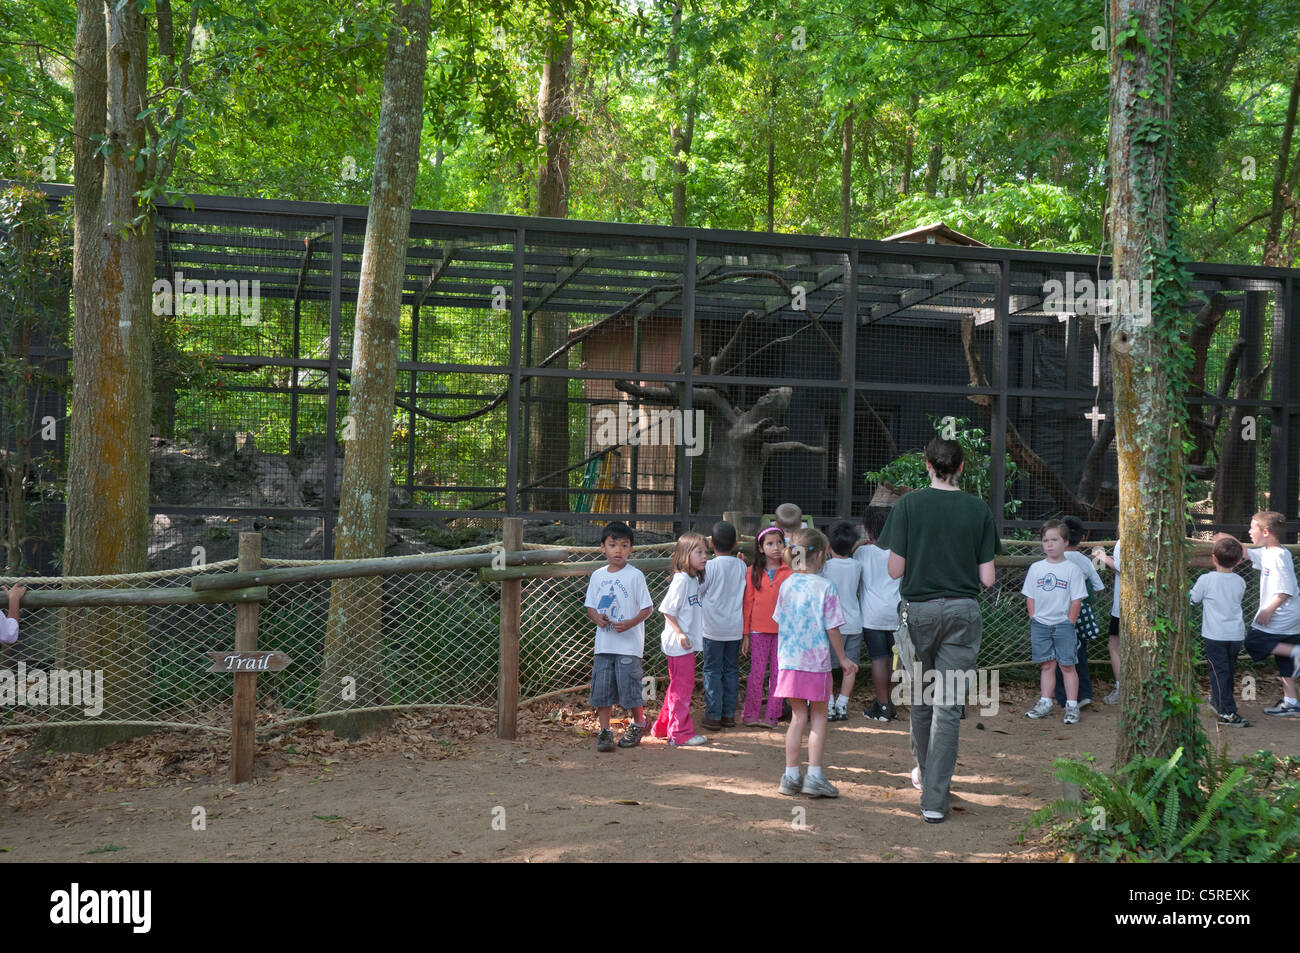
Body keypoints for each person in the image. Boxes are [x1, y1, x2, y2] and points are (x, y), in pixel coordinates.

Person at [878, 436, 998, 823]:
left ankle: (925, 775)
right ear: (962, 467)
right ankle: (934, 800)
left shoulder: (910, 504)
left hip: (919, 613)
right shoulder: (978, 508)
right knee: (948, 707)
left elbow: (895, 570)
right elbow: (988, 578)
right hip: (963, 612)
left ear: (927, 464)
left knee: (921, 698)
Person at [772, 527, 855, 797]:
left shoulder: (786, 585)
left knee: (797, 718)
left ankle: (791, 775)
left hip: (789, 662)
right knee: (818, 717)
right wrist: (842, 658)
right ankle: (815, 776)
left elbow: (780, 621)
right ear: (820, 554)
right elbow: (833, 628)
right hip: (815, 663)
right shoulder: (825, 587)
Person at [584, 521, 655, 752]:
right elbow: (591, 608)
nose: (618, 550)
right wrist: (598, 619)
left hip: (629, 646)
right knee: (602, 688)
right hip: (604, 645)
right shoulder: (597, 576)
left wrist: (630, 623)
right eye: (613, 545)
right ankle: (605, 731)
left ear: (631, 549)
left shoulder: (635, 576)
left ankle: (638, 723)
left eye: (624, 545)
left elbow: (647, 608)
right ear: (603, 547)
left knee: (630, 687)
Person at [1022, 519, 1088, 724]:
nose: (1049, 544)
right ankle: (1045, 702)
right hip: (1040, 624)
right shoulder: (1035, 568)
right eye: (1045, 540)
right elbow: (1029, 596)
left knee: (1067, 665)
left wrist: (1070, 621)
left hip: (1063, 624)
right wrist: (1033, 618)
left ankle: (1071, 705)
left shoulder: (1072, 569)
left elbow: (1077, 599)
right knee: (1047, 664)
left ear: (1065, 542)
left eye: (1054, 540)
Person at [1235, 512, 1300, 717]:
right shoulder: (1270, 552)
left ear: (1265, 532)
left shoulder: (1278, 557)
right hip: (1291, 616)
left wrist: (1268, 610)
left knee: (1255, 642)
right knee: (1284, 659)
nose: (1249, 531)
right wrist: (1225, 540)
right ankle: (1291, 702)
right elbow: (1245, 552)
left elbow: (1286, 589)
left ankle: (1297, 651)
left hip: (1282, 613)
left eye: (1253, 527)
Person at [653, 533, 709, 747]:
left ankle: (662, 727)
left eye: (706, 552)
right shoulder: (682, 580)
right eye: (699, 552)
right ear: (686, 554)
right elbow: (667, 610)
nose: (705, 557)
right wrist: (680, 633)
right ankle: (679, 733)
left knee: (677, 686)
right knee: (682, 689)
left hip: (684, 644)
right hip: (679, 645)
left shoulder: (693, 579)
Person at [1191, 535, 1249, 727]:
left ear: (1214, 558)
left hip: (1215, 635)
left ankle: (1227, 712)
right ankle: (1219, 702)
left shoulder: (1206, 579)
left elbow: (1193, 599)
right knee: (1227, 671)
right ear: (1239, 560)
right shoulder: (1240, 581)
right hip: (1235, 635)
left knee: (1218, 673)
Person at [742, 526, 790, 729]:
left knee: (779, 674)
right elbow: (748, 604)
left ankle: (773, 715)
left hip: (784, 632)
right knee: (757, 673)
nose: (775, 547)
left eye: (779, 542)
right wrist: (745, 634)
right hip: (758, 631)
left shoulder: (791, 571)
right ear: (761, 548)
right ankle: (750, 714)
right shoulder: (752, 571)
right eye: (770, 544)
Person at [700, 521, 746, 730]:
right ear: (736, 543)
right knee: (730, 670)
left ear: (711, 543)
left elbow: (700, 591)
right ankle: (728, 715)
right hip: (735, 628)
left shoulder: (709, 566)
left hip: (712, 629)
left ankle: (712, 715)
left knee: (712, 671)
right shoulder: (741, 565)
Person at [1053, 515, 1104, 708]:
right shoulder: (1084, 561)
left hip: (1059, 613)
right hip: (1081, 615)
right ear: (1082, 537)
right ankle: (1084, 694)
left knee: (1059, 656)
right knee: (1080, 653)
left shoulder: (1056, 558)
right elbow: (1099, 587)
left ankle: (1064, 697)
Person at [856, 507, 901, 721]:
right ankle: (890, 702)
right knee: (895, 660)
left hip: (872, 616)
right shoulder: (900, 551)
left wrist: (857, 545)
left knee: (878, 659)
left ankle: (882, 705)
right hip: (897, 614)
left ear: (868, 530)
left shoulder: (863, 552)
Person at [821, 520, 864, 721]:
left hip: (832, 624)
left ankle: (828, 704)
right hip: (854, 622)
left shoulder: (826, 567)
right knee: (851, 665)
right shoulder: (856, 565)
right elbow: (850, 554)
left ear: (829, 546)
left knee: (827, 666)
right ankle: (842, 705)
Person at [1092, 538, 1123, 705]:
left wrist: (1103, 557)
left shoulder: (1124, 540)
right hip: (1129, 604)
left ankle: (1121, 688)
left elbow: (1125, 567)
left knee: (1114, 645)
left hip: (1123, 605)